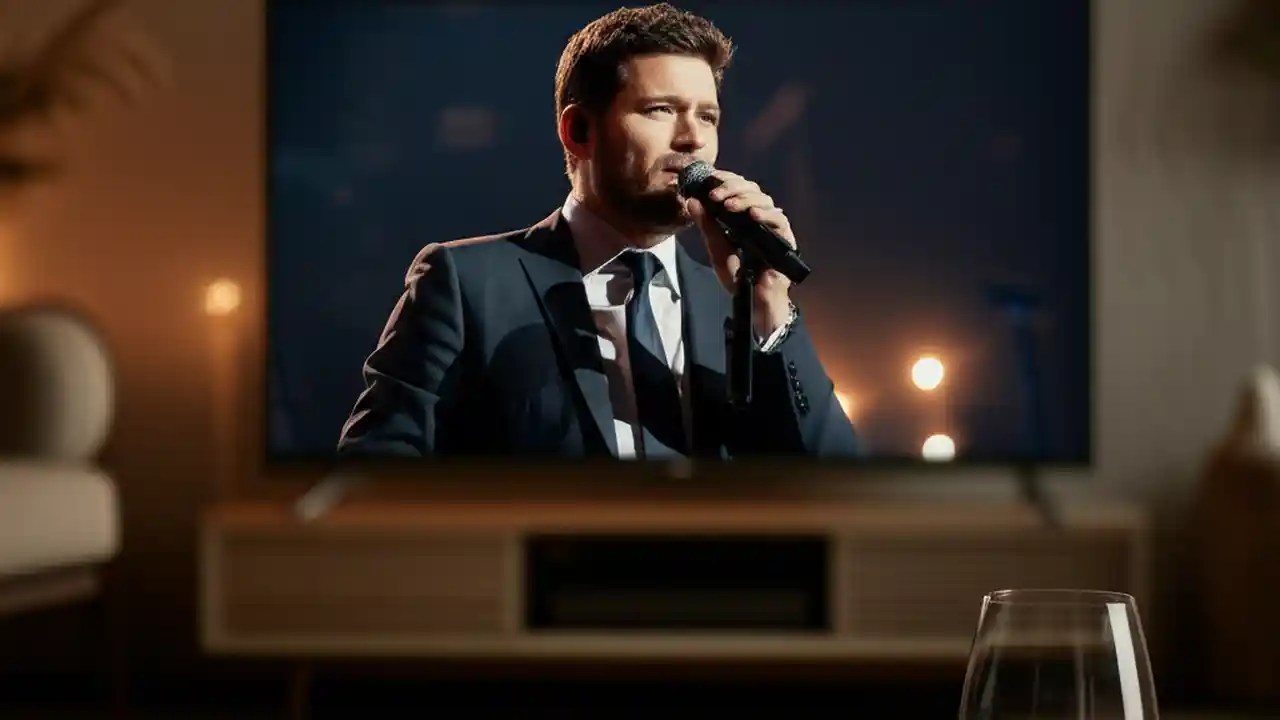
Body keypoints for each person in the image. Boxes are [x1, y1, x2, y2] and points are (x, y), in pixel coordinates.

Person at [337, 3, 858, 459]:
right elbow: (375, 476)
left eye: (708, 116)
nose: (693, 137)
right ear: (579, 131)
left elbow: (839, 485)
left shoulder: (738, 305)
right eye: (661, 110)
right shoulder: (465, 284)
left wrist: (769, 308)